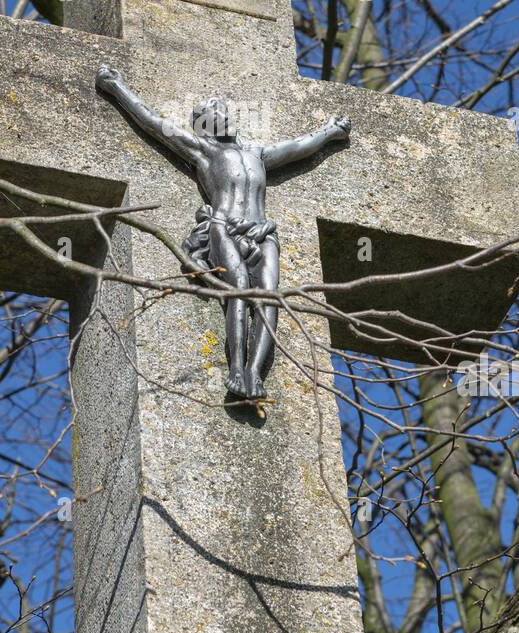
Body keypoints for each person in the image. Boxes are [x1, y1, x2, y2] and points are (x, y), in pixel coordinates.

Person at [96, 64, 351, 402]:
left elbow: (299, 147)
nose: (224, 117)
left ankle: (255, 373)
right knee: (240, 289)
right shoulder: (205, 152)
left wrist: (329, 131)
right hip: (224, 228)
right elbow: (155, 123)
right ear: (206, 124)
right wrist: (116, 88)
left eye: (224, 112)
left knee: (268, 296)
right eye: (215, 114)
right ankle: (236, 368)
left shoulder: (257, 153)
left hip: (263, 231)